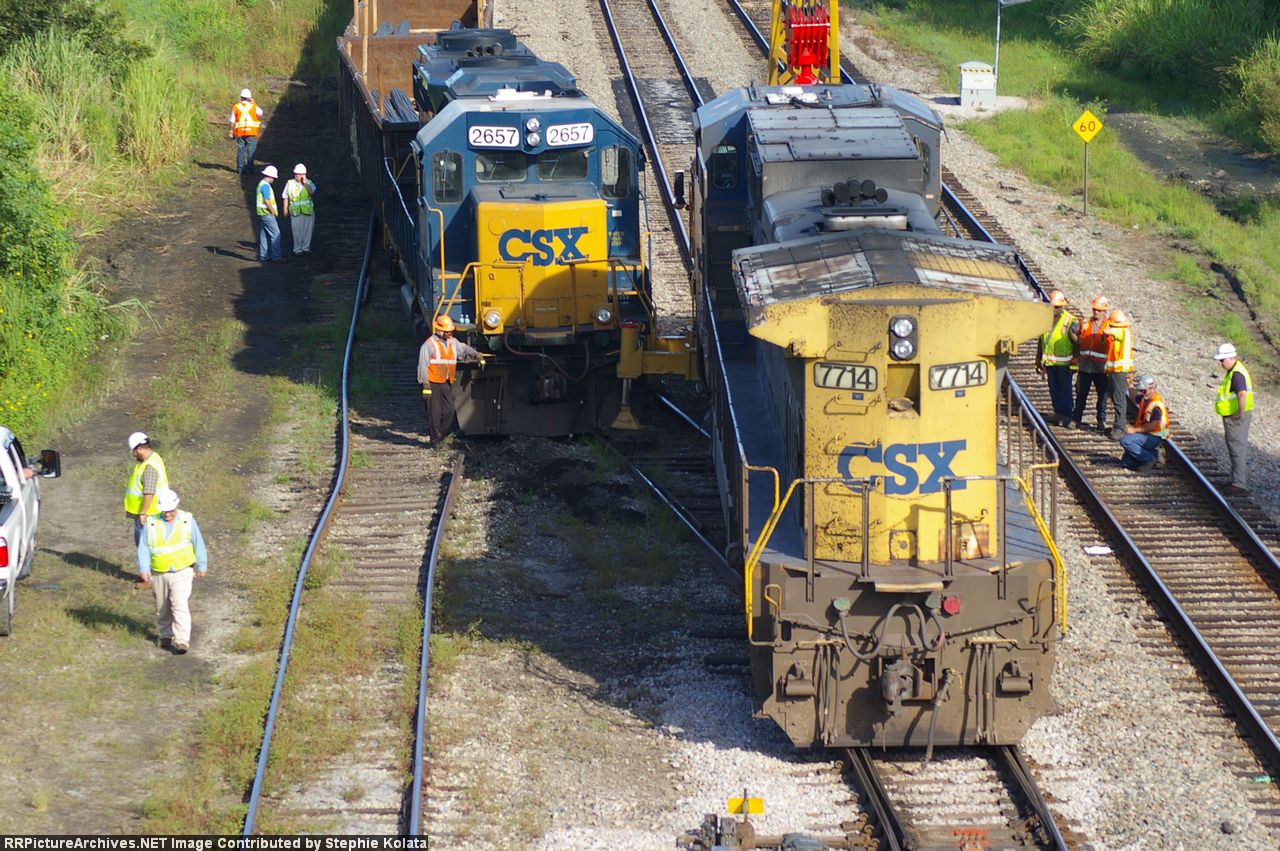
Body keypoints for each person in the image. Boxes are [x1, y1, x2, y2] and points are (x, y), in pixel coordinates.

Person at [137, 488, 207, 654]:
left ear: (176, 507)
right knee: (162, 606)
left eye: (170, 511)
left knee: (179, 603)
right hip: (159, 572)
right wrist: (144, 568)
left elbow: (198, 542)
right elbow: (144, 548)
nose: (167, 514)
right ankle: (166, 635)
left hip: (182, 570)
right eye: (164, 511)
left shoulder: (187, 520)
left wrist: (202, 564)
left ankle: (182, 640)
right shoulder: (152, 523)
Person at [417, 314, 481, 444]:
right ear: (439, 330)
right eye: (446, 331)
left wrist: (476, 354)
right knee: (434, 412)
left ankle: (441, 435)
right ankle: (435, 439)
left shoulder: (452, 342)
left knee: (449, 410)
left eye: (450, 331)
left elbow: (463, 348)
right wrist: (425, 383)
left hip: (445, 381)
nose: (449, 333)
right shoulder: (429, 344)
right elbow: (423, 363)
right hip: (432, 381)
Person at [1214, 342, 1254, 494]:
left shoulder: (1237, 374)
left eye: (1222, 360)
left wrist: (1241, 413)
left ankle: (1239, 483)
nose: (1220, 363)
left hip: (1236, 417)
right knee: (1235, 447)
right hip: (1235, 415)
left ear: (1230, 358)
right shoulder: (1236, 370)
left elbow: (1242, 394)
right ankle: (1236, 479)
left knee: (1237, 448)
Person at [1067, 295, 1111, 431]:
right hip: (1086, 366)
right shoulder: (1085, 323)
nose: (1095, 312)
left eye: (1098, 310)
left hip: (1101, 368)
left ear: (1104, 311)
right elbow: (1072, 332)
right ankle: (1076, 419)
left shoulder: (1110, 325)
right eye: (1094, 309)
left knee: (1102, 397)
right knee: (1081, 394)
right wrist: (1079, 341)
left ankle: (1101, 422)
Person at [124, 431, 169, 550]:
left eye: (134, 452)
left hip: (149, 516)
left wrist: (143, 513)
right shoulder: (155, 458)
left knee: (144, 548)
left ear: (139, 449)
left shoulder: (149, 467)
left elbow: (149, 493)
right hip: (153, 513)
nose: (134, 455)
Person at [1037, 290, 1076, 426]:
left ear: (1062, 306)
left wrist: (1075, 363)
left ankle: (1066, 415)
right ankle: (1058, 413)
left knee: (1065, 389)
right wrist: (1039, 358)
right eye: (1053, 306)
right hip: (1050, 362)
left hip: (1064, 363)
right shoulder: (1044, 318)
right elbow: (1041, 339)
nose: (1055, 309)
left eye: (1058, 307)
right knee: (1054, 389)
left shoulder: (1070, 320)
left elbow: (1077, 343)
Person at [1119, 374, 1168, 472]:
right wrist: (1130, 385)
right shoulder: (1145, 398)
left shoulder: (1156, 404)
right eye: (1141, 390)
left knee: (1126, 441)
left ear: (1152, 388)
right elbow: (1134, 397)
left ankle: (1150, 458)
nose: (1142, 393)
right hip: (1146, 434)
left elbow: (1153, 425)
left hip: (1154, 436)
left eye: (1144, 391)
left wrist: (1134, 430)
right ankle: (1156, 455)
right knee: (1126, 463)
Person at [1103, 308, 1135, 439]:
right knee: (1118, 398)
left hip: (1119, 371)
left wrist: (1106, 323)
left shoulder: (1121, 331)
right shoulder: (1125, 331)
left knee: (1119, 399)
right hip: (1119, 370)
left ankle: (1119, 428)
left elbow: (1106, 331)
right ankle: (1117, 426)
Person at [282, 164, 317, 255]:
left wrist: (305, 183)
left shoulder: (309, 183)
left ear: (303, 175)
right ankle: (297, 249)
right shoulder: (289, 183)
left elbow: (312, 192)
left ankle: (306, 247)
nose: (296, 176)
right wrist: (285, 209)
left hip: (308, 211)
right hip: (295, 212)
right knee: (296, 231)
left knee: (308, 230)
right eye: (296, 174)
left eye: (299, 174)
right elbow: (285, 196)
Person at [228, 88, 264, 174]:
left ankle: (240, 169)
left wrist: (231, 131)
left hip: (240, 133)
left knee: (241, 150)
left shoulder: (236, 107)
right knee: (251, 152)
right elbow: (261, 113)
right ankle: (250, 170)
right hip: (251, 133)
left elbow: (232, 121)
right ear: (250, 98)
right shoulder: (253, 106)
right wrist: (254, 103)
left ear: (241, 97)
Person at [256, 165, 283, 263]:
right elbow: (267, 200)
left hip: (262, 214)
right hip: (267, 213)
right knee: (276, 234)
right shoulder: (266, 186)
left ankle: (264, 256)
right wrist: (272, 210)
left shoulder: (261, 184)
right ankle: (276, 256)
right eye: (273, 178)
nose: (274, 180)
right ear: (270, 176)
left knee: (264, 234)